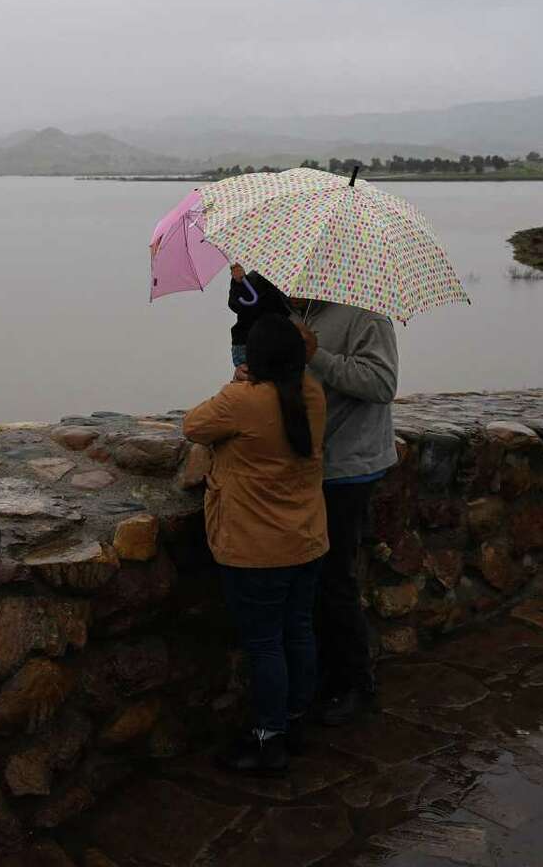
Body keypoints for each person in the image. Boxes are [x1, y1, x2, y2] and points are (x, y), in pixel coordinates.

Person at [183, 314, 329, 775]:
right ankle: (295, 721)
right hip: (307, 539)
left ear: (256, 357)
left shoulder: (241, 400)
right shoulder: (312, 393)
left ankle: (269, 740)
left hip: (256, 548)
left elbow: (193, 426)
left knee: (265, 644)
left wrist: (236, 382)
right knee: (298, 631)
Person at [284, 293, 399, 727]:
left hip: (351, 465)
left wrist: (317, 355)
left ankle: (356, 685)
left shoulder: (366, 313)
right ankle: (324, 679)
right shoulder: (294, 311)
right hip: (311, 463)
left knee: (335, 579)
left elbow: (383, 383)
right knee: (311, 579)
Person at [227, 264, 291, 366]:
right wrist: (239, 282)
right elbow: (235, 304)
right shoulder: (256, 278)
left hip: (277, 339)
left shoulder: (286, 282)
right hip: (248, 342)